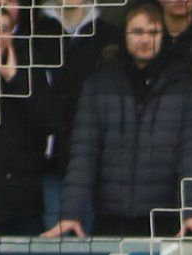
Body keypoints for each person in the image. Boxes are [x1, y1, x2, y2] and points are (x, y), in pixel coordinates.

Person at [41, 1, 192, 238]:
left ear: (163, 36)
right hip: (110, 219)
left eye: (153, 32)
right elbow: (83, 155)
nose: (145, 39)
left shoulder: (187, 87)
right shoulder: (99, 84)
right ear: (124, 35)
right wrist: (71, 214)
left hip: (166, 221)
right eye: (137, 32)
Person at [34, 0, 119, 229]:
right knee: (55, 241)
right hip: (50, 162)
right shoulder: (35, 34)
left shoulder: (110, 36)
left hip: (100, 164)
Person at [0, 7, 59, 235]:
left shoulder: (31, 67)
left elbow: (49, 122)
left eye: (4, 29)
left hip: (21, 205)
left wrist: (14, 80)